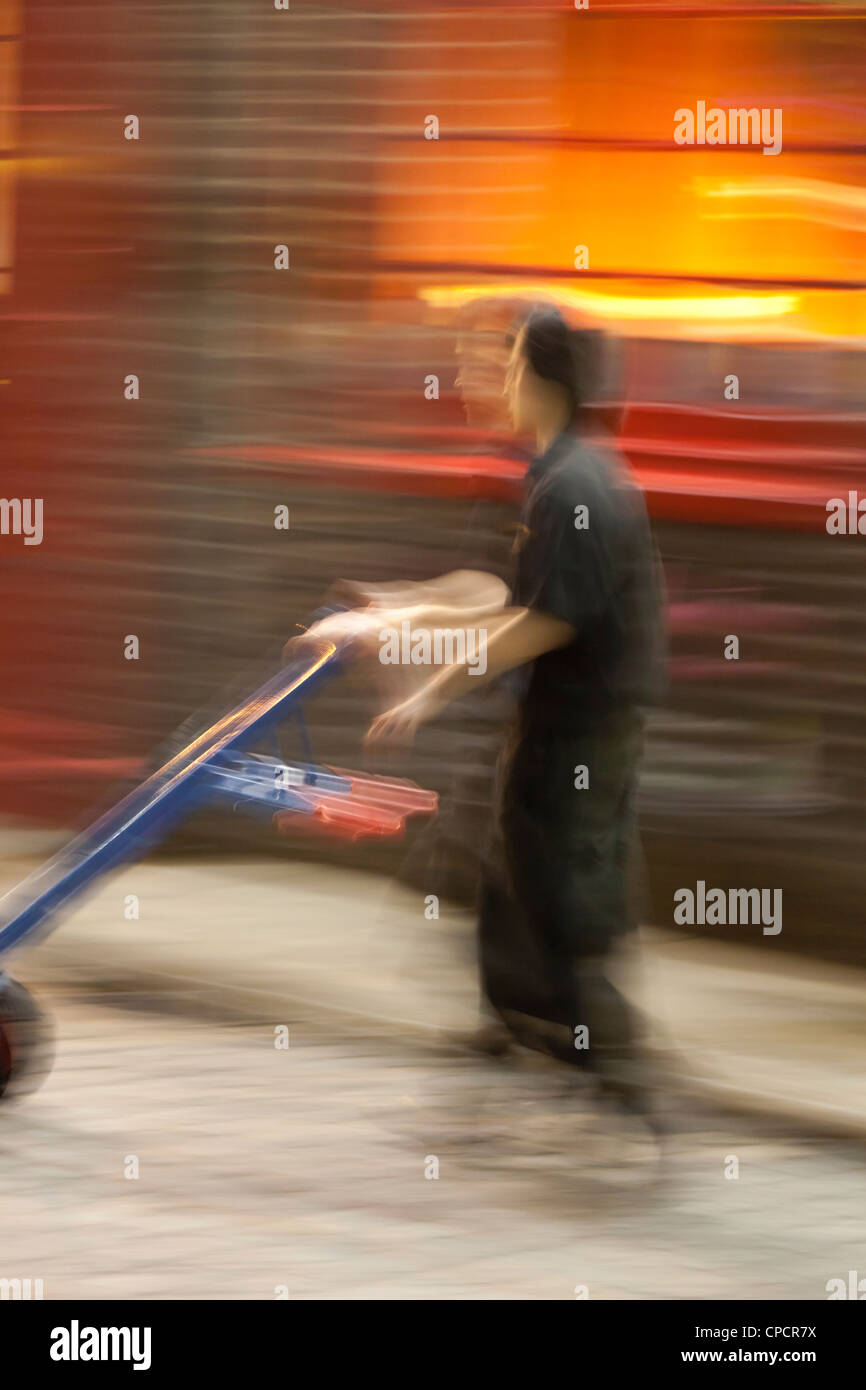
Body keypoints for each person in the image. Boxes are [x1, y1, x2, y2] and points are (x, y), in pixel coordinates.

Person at [305, 303, 667, 1134]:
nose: (492, 382)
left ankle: (615, 1068)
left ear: (541, 378)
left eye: (502, 368)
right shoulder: (558, 472)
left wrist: (433, 686)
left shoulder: (575, 485)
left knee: (558, 894)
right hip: (563, 721)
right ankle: (533, 1035)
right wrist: (396, 615)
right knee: (511, 878)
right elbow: (501, 595)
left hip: (582, 727)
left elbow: (544, 621)